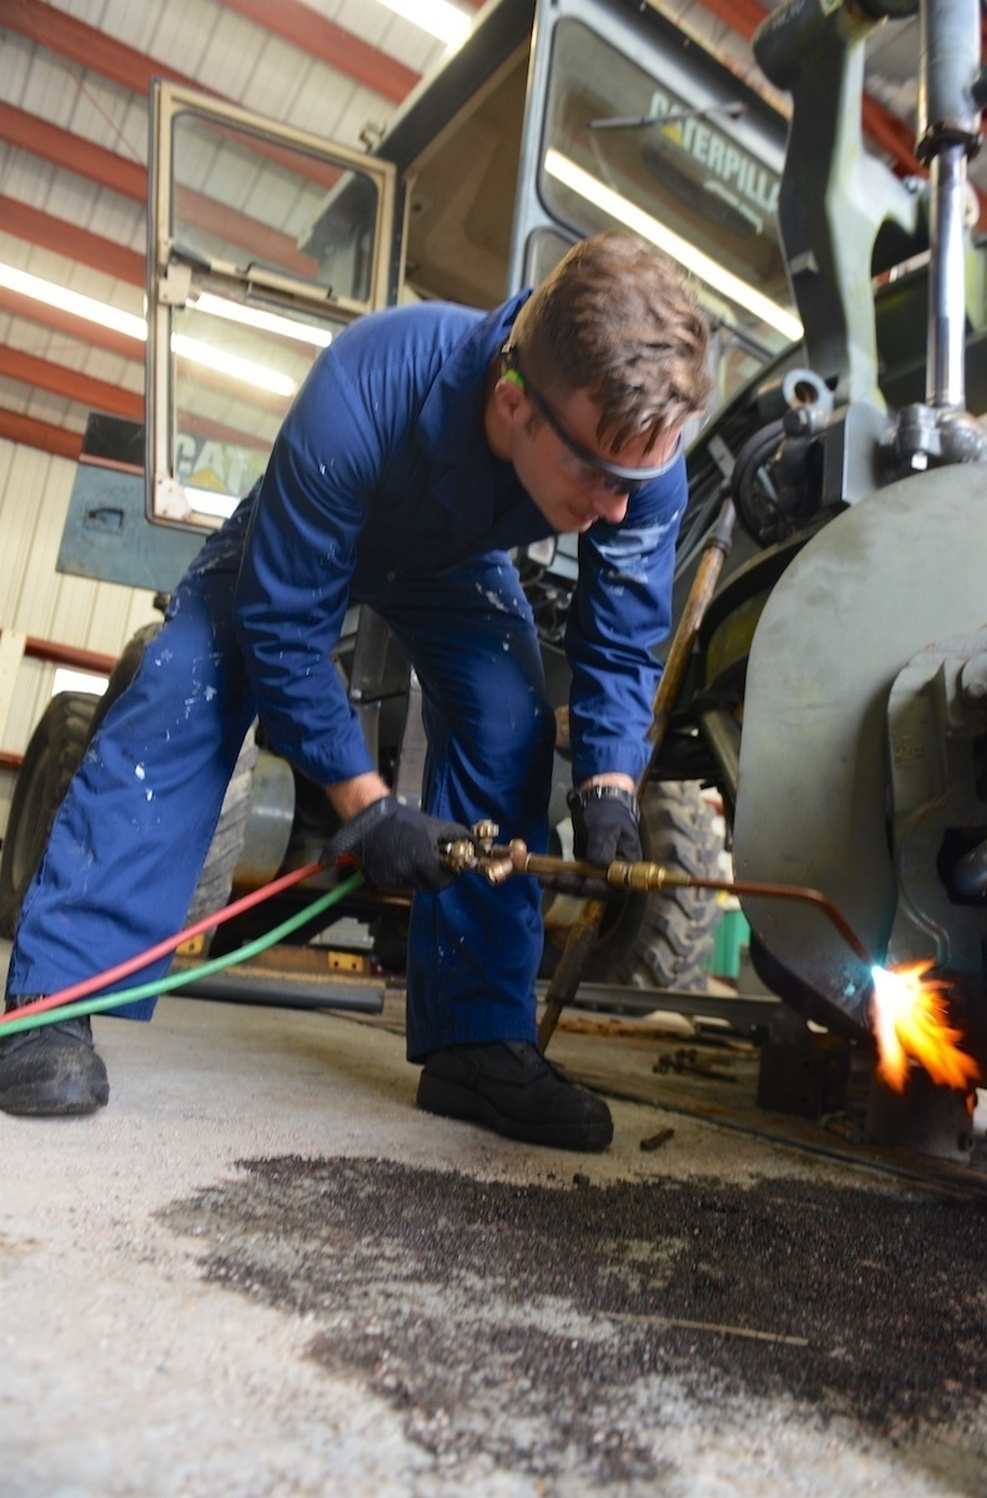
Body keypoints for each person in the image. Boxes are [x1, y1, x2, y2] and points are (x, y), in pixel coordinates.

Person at [0, 230, 710, 1150]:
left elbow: (621, 636)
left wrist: (611, 782)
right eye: (598, 476)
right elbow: (284, 620)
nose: (620, 507)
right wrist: (365, 806)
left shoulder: (640, 449)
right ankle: (55, 998)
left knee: (509, 717)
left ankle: (477, 1043)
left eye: (639, 480)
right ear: (513, 403)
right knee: (187, 682)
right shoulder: (367, 383)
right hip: (319, 528)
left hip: (452, 559)